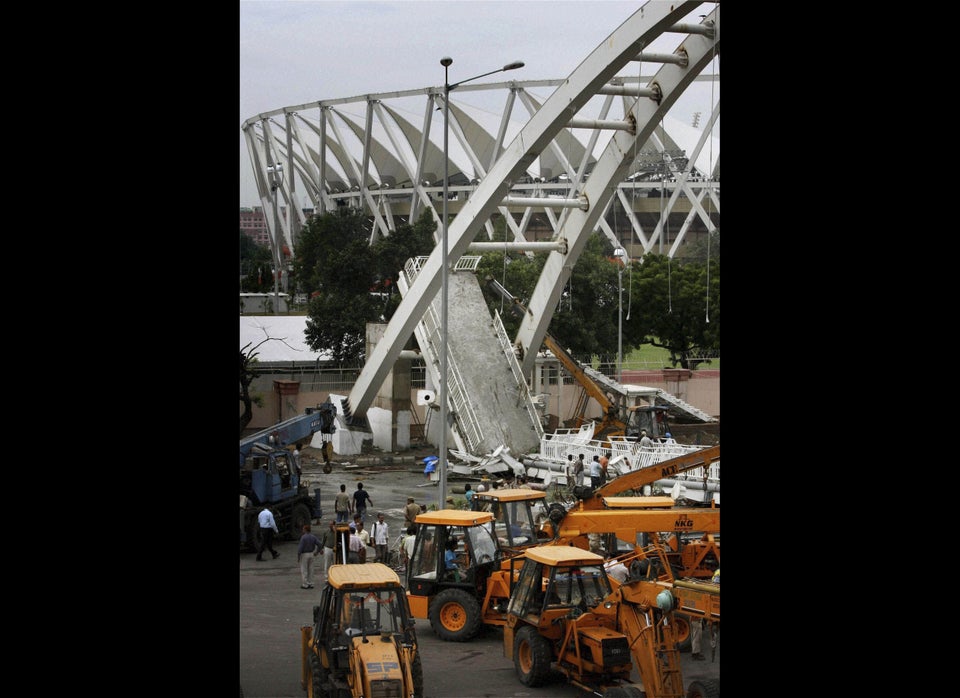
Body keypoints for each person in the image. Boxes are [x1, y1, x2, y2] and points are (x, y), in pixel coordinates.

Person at [297, 523, 323, 589]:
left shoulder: (303, 537)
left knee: (304, 569)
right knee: (311, 569)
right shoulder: (313, 537)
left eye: (303, 529)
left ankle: (305, 584)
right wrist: (317, 551)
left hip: (304, 554)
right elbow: (320, 544)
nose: (302, 530)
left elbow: (300, 548)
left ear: (305, 530)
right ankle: (311, 583)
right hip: (311, 554)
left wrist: (298, 556)